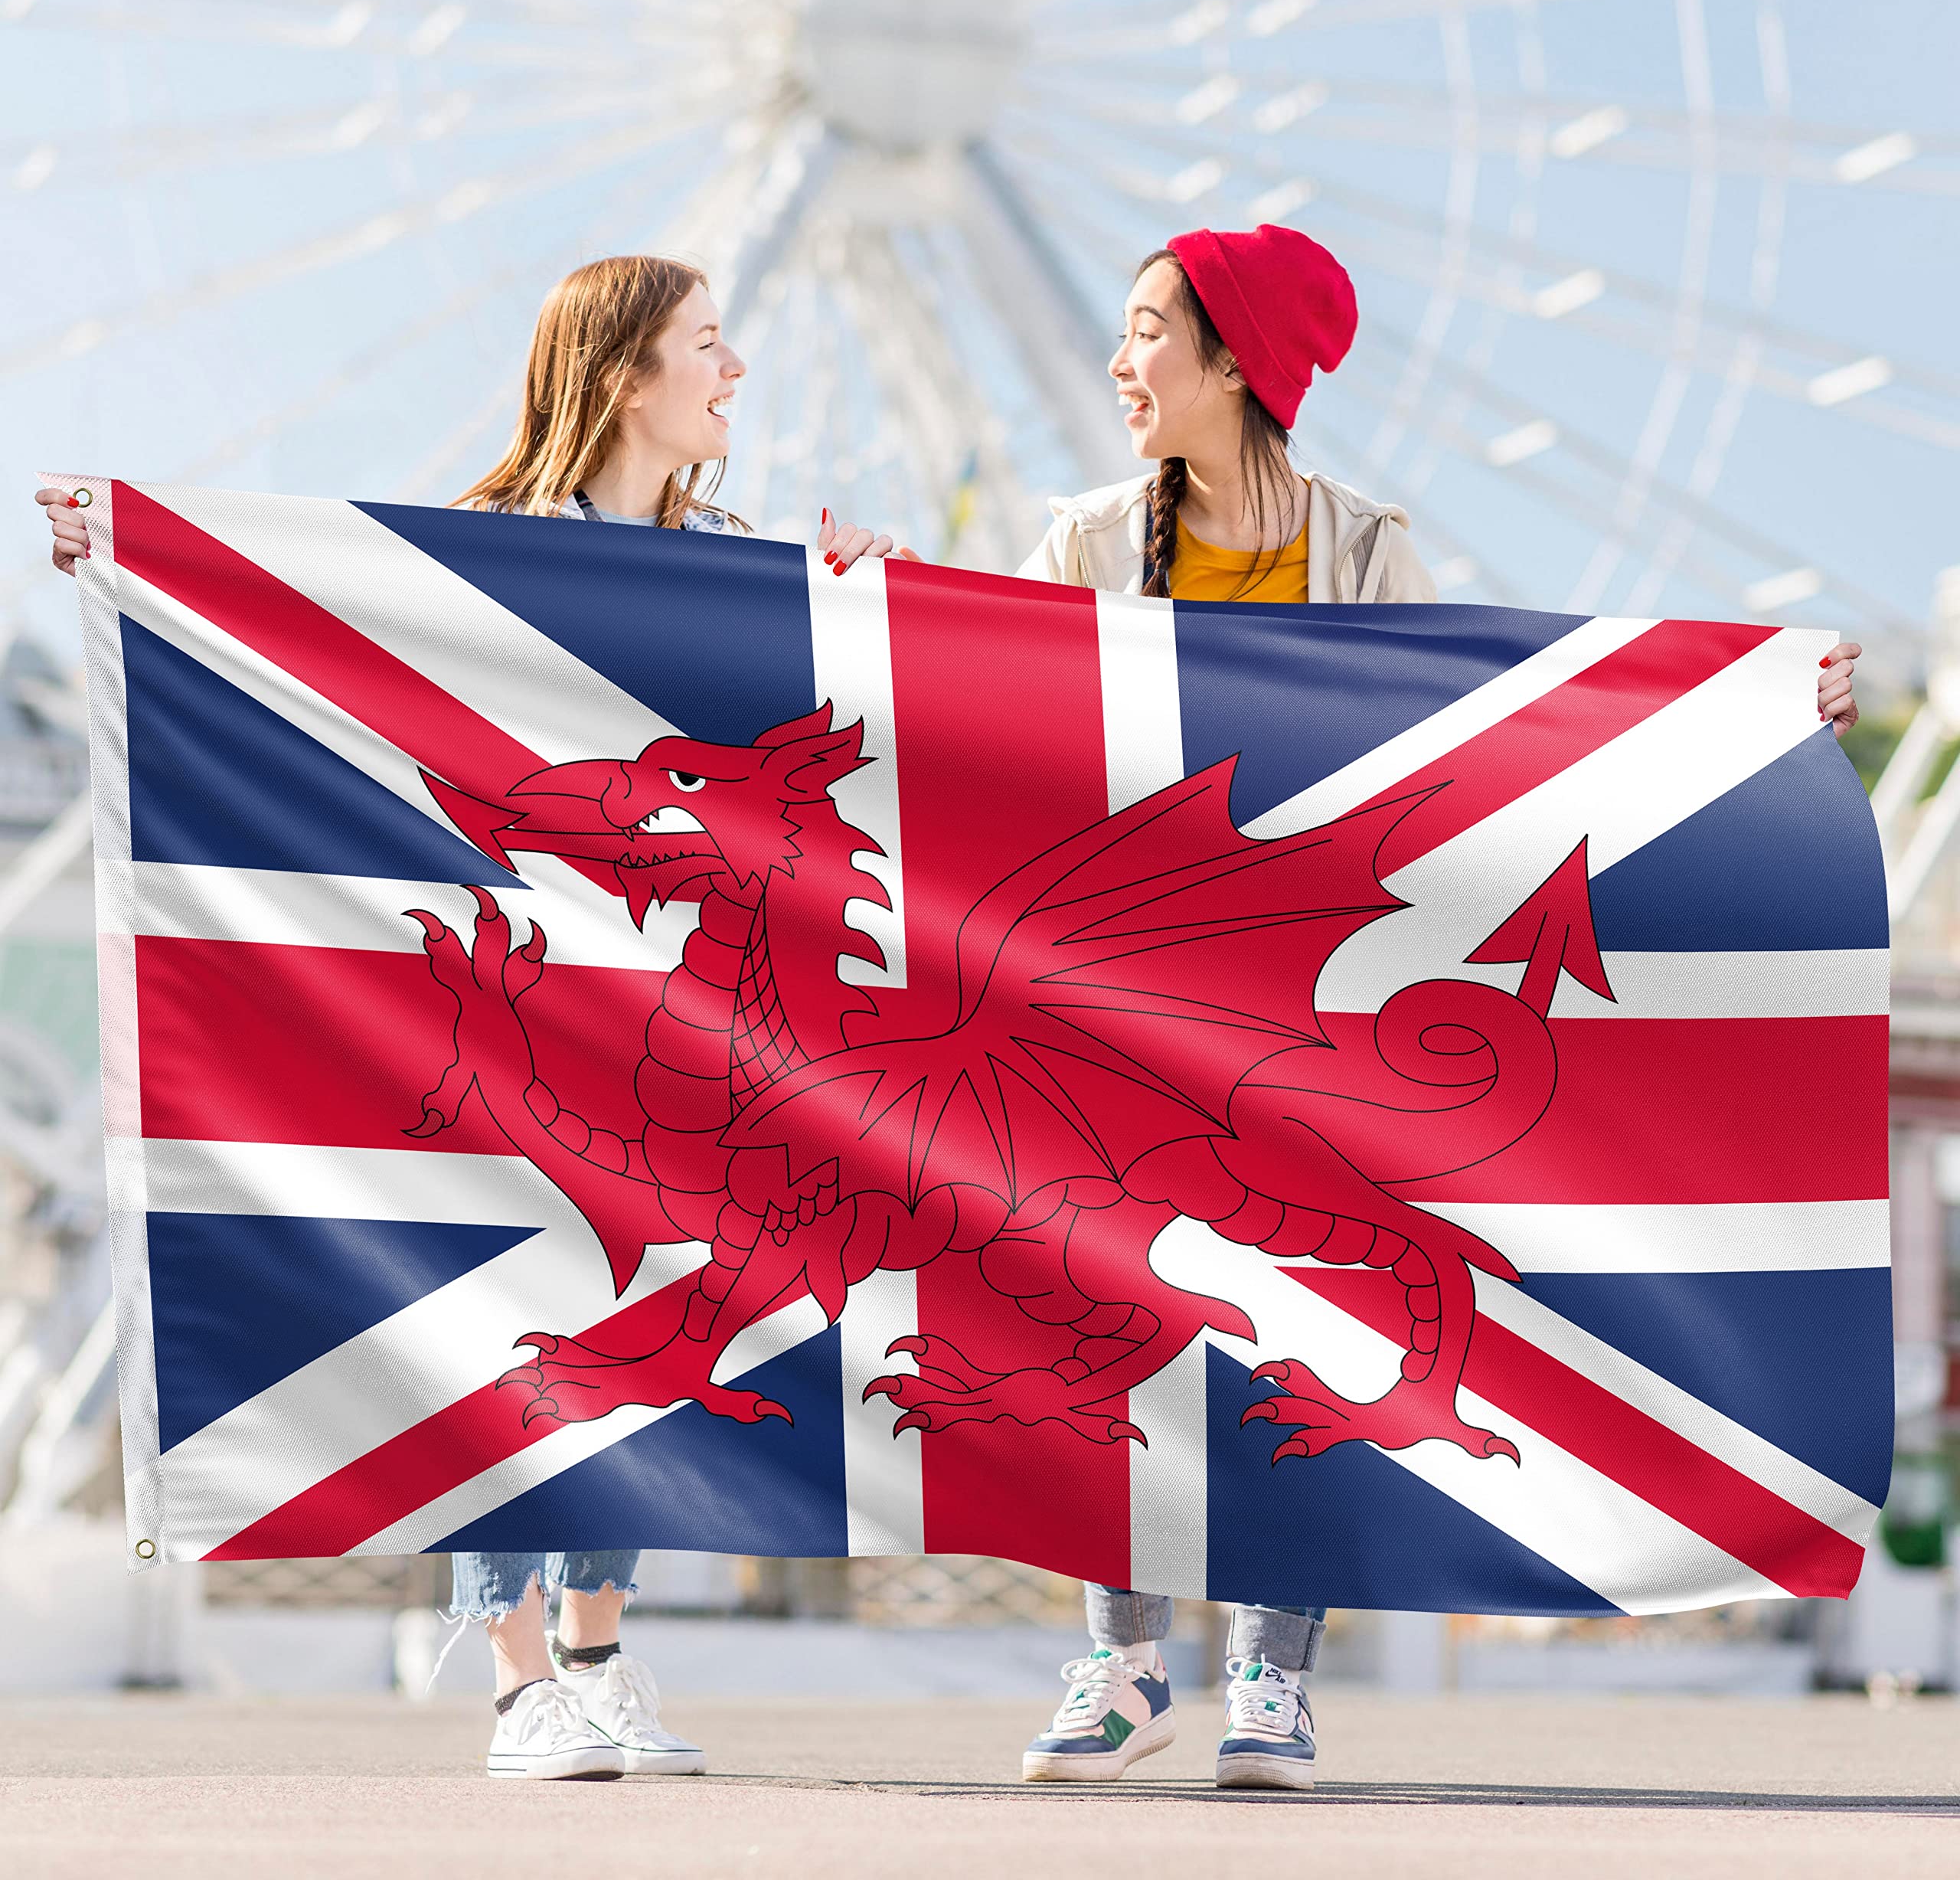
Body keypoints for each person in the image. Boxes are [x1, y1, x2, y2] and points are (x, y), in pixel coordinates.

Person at [824, 221, 1862, 1792]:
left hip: (1278, 1012)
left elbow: (1490, 744)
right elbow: (974, 712)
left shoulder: (1368, 550)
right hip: (1097, 1012)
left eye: (1147, 333)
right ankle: (1116, 1657)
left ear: (1235, 362)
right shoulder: (1081, 539)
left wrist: (1744, 713)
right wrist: (868, 612)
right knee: (1079, 1291)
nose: (1119, 363)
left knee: (1301, 1303)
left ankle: (1268, 1676)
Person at [38, 253, 777, 1784]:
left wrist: (868, 581)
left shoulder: (737, 559)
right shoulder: (484, 546)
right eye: (708, 343)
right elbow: (307, 626)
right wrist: (138, 556)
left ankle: (595, 1655)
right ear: (626, 373)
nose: (735, 370)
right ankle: (523, 1685)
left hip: (674, 1019)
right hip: (519, 997)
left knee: (638, 1319)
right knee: (515, 1322)